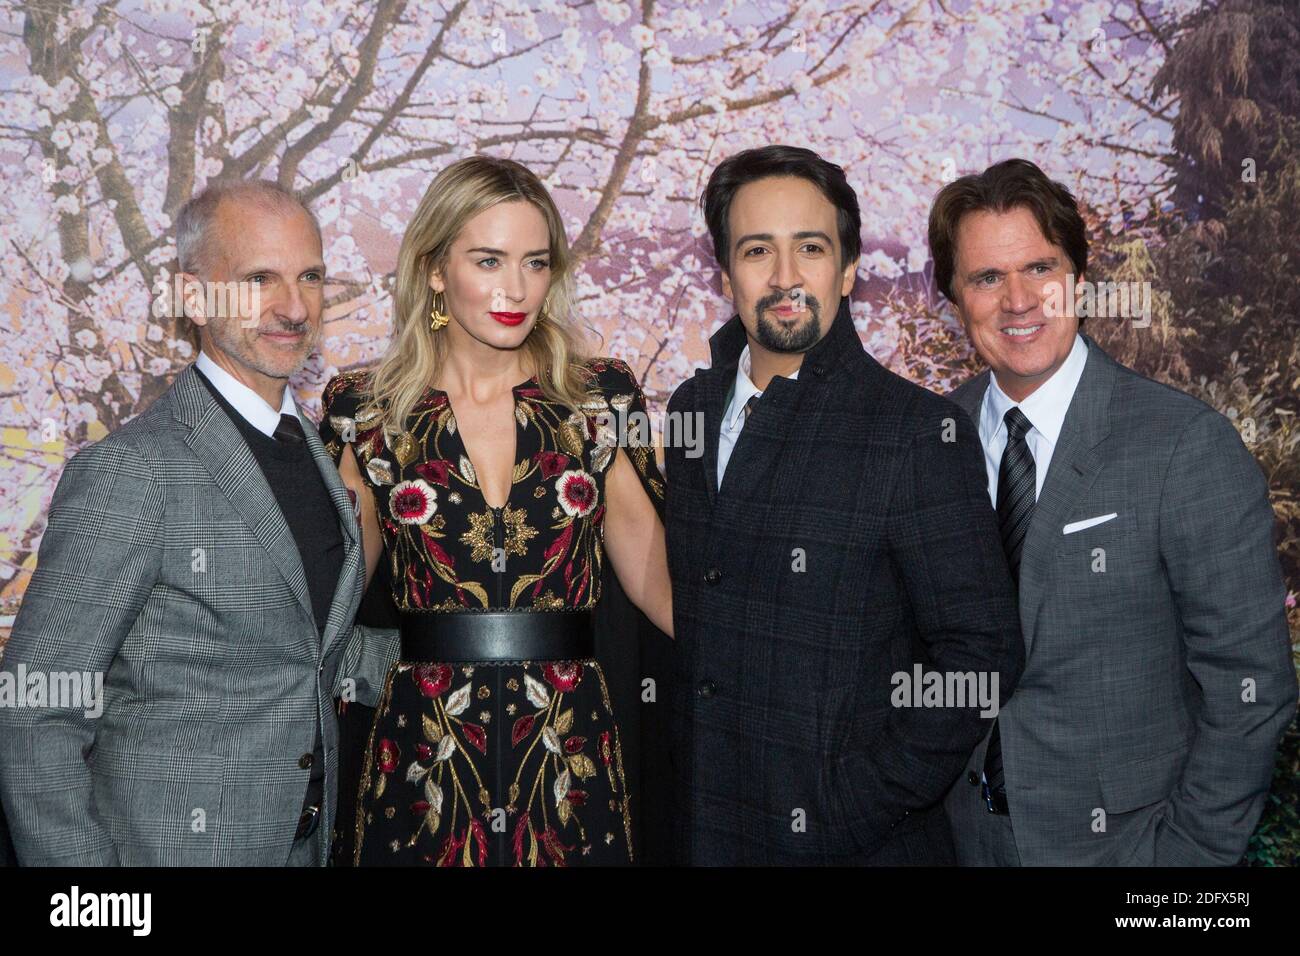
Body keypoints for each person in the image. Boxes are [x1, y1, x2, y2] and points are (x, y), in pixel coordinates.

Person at [0, 180, 399, 866]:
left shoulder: (317, 459)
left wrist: (479, 656)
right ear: (191, 297)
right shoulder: (134, 470)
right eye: (258, 280)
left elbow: (304, 655)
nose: (293, 307)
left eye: (308, 276)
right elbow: (36, 709)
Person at [662, 145, 1024, 865]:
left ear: (848, 269)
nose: (786, 276)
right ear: (725, 270)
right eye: (758, 249)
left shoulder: (915, 431)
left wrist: (856, 804)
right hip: (703, 835)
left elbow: (981, 653)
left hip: (858, 847)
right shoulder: (690, 411)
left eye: (812, 248)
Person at [933, 158, 1297, 865]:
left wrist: (1180, 865)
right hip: (958, 846)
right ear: (955, 296)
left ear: (1078, 280)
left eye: (1040, 268)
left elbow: (1250, 687)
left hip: (1128, 852)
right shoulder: (929, 442)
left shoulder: (1183, 446)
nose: (1018, 300)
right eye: (986, 277)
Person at [319, 155, 671, 866]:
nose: (516, 288)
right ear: (435, 270)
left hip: (569, 758)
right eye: (489, 260)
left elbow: (664, 588)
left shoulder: (597, 401)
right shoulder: (370, 411)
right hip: (423, 760)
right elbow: (327, 606)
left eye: (535, 263)